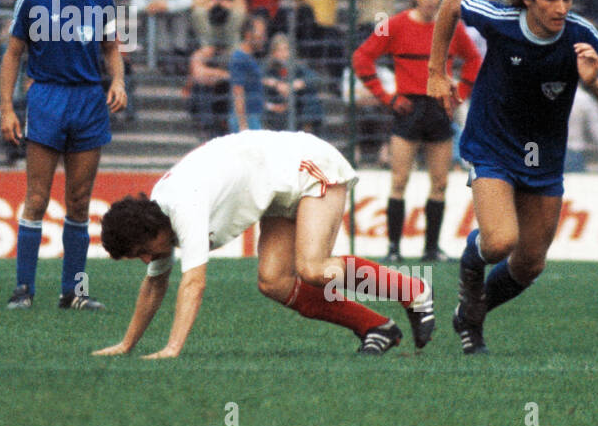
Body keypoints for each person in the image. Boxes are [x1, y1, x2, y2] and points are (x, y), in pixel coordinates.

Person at [426, 0, 598, 354]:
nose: (561, 7)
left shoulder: (582, 36)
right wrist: (436, 71)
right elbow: (451, 2)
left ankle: (471, 312)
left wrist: (593, 84)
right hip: (492, 146)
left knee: (530, 264)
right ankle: (471, 270)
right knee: (500, 242)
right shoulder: (501, 21)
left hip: (545, 159)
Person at [94, 130, 436, 359]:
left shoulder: (183, 205)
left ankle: (413, 290)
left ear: (151, 232)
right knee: (274, 281)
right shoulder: (157, 215)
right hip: (279, 189)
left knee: (313, 268)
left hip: (309, 165)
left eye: (142, 252)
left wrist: (172, 348)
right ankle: (375, 327)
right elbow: (155, 284)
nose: (145, 260)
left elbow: (193, 283)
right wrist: (127, 345)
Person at [0, 0, 126, 311]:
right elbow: (12, 55)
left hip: (89, 102)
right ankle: (24, 289)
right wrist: (6, 108)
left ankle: (74, 292)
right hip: (47, 99)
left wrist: (118, 81)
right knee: (37, 198)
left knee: (79, 201)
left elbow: (112, 48)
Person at [352, 0, 482, 262]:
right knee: (399, 180)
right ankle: (394, 249)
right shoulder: (393, 23)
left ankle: (431, 249)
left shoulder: (452, 28)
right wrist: (386, 97)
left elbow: (474, 60)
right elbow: (362, 57)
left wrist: (459, 93)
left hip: (439, 109)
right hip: (407, 109)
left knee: (440, 183)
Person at [229, 14, 268, 131]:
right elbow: (238, 91)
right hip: (246, 119)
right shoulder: (240, 58)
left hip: (253, 117)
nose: (264, 39)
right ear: (248, 34)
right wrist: (243, 125)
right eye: (260, 35)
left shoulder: (249, 58)